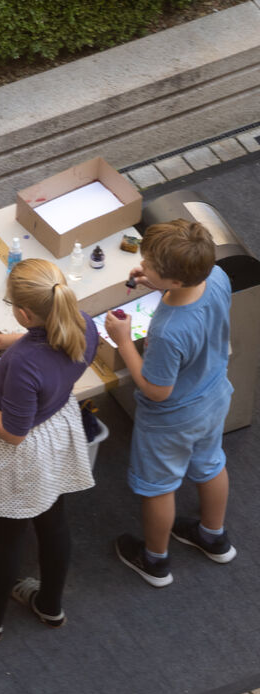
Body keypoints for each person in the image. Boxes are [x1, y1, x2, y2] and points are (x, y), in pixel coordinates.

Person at [0, 260, 98, 642]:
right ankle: (49, 605)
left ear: (26, 313)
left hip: (22, 453)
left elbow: (13, 432)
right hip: (58, 432)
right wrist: (23, 338)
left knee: (7, 538)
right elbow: (55, 355)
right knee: (53, 522)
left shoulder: (26, 363)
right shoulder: (83, 321)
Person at [106, 219, 236, 586]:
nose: (142, 268)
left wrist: (124, 342)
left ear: (176, 281)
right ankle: (214, 536)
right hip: (213, 396)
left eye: (149, 266)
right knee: (211, 463)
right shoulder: (218, 277)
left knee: (159, 486)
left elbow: (156, 389)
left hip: (171, 419)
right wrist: (156, 281)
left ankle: (155, 560)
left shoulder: (167, 330)